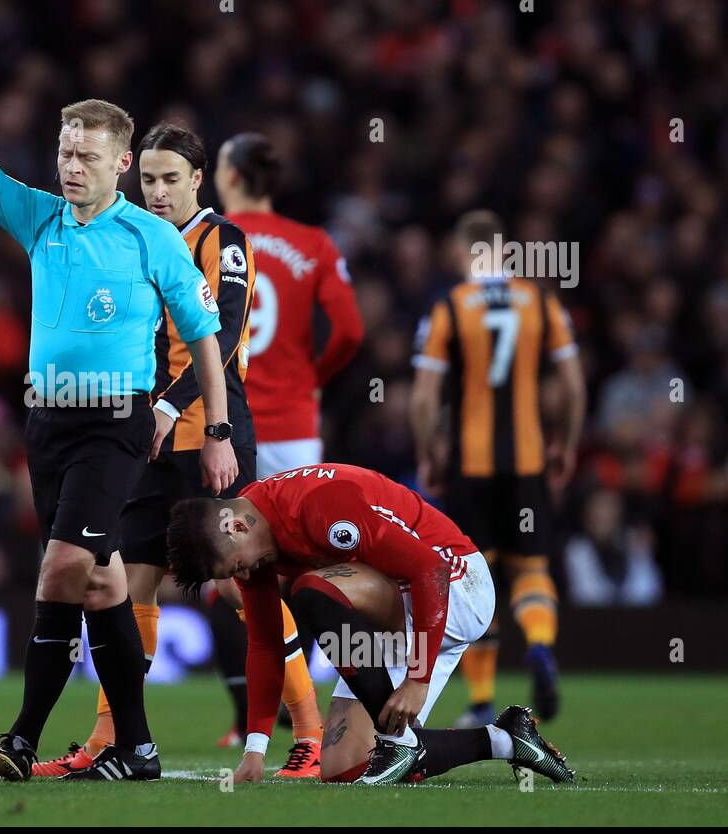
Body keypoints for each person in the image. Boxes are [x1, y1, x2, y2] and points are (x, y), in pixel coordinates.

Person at [0, 21, 238, 782]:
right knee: (101, 582)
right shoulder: (39, 219)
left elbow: (207, 337)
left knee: (62, 565)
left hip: (117, 422)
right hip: (48, 423)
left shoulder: (153, 238)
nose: (71, 166)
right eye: (65, 151)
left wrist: (217, 428)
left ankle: (22, 736)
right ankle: (139, 747)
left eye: (87, 156)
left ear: (122, 164)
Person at [28, 122, 271, 775]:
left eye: (172, 179)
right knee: (122, 586)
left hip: (206, 437)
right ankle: (110, 738)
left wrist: (181, 412)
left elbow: (219, 337)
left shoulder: (224, 239)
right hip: (146, 441)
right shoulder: (133, 235)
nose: (158, 191)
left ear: (199, 181)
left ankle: (302, 733)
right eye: (150, 178)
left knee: (240, 588)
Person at [166, 463, 576, 786]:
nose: (245, 573)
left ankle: (399, 742)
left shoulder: (320, 509)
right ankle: (506, 739)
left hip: (456, 586)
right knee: (345, 768)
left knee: (311, 591)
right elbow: (267, 645)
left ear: (235, 528)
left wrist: (418, 678)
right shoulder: (253, 530)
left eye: (237, 565)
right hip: (401, 605)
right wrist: (255, 749)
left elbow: (428, 568)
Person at [212, 131, 366, 773]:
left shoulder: (212, 236)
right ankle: (349, 712)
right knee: (322, 574)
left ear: (232, 176)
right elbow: (352, 329)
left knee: (240, 578)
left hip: (233, 424)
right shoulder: (314, 244)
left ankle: (288, 720)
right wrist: (311, 377)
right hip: (298, 430)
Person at [410, 210, 586, 724]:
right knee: (531, 568)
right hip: (529, 461)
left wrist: (428, 451)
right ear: (504, 252)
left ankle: (482, 700)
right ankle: (539, 645)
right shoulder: (541, 302)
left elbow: (422, 399)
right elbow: (574, 385)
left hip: (471, 466)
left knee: (474, 576)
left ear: (464, 251)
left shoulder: (449, 306)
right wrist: (566, 444)